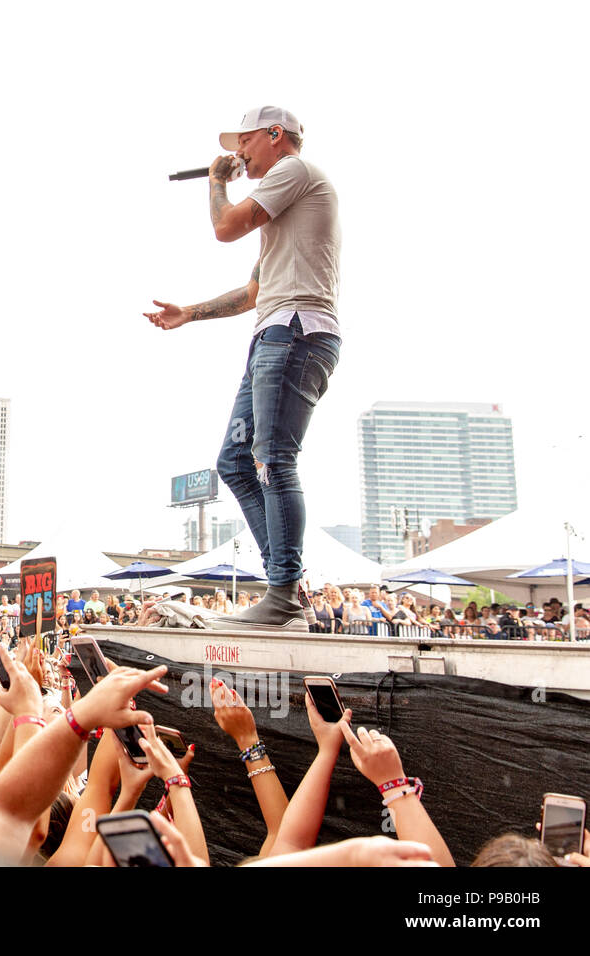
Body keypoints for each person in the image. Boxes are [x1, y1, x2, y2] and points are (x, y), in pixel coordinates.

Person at [146, 106, 340, 630]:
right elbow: (254, 292)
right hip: (274, 330)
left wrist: (215, 181)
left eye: (246, 141)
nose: (240, 153)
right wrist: (191, 312)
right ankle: (284, 586)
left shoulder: (293, 171)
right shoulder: (283, 200)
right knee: (235, 461)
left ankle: (283, 594)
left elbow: (225, 226)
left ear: (275, 136)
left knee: (273, 458)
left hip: (297, 330)